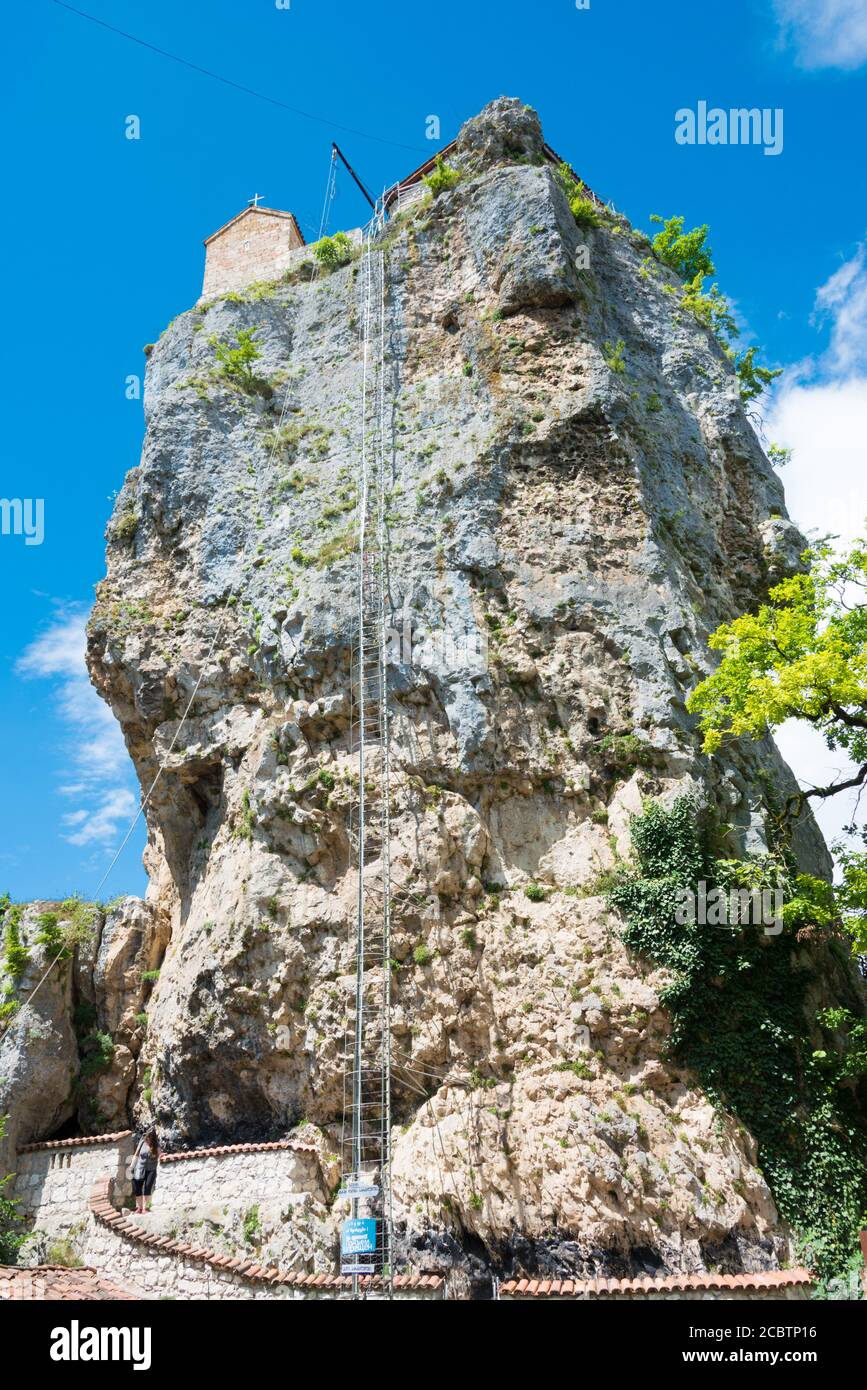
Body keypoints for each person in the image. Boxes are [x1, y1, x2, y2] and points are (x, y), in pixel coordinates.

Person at [131, 1128, 160, 1214]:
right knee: (138, 1188)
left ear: (153, 1138)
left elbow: (160, 1156)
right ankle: (139, 1208)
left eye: (149, 1138)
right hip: (140, 1168)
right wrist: (131, 1167)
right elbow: (136, 1154)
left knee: (148, 1188)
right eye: (146, 1137)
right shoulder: (142, 1142)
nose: (147, 1139)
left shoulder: (156, 1145)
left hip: (151, 1170)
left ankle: (147, 1208)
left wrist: (162, 1156)